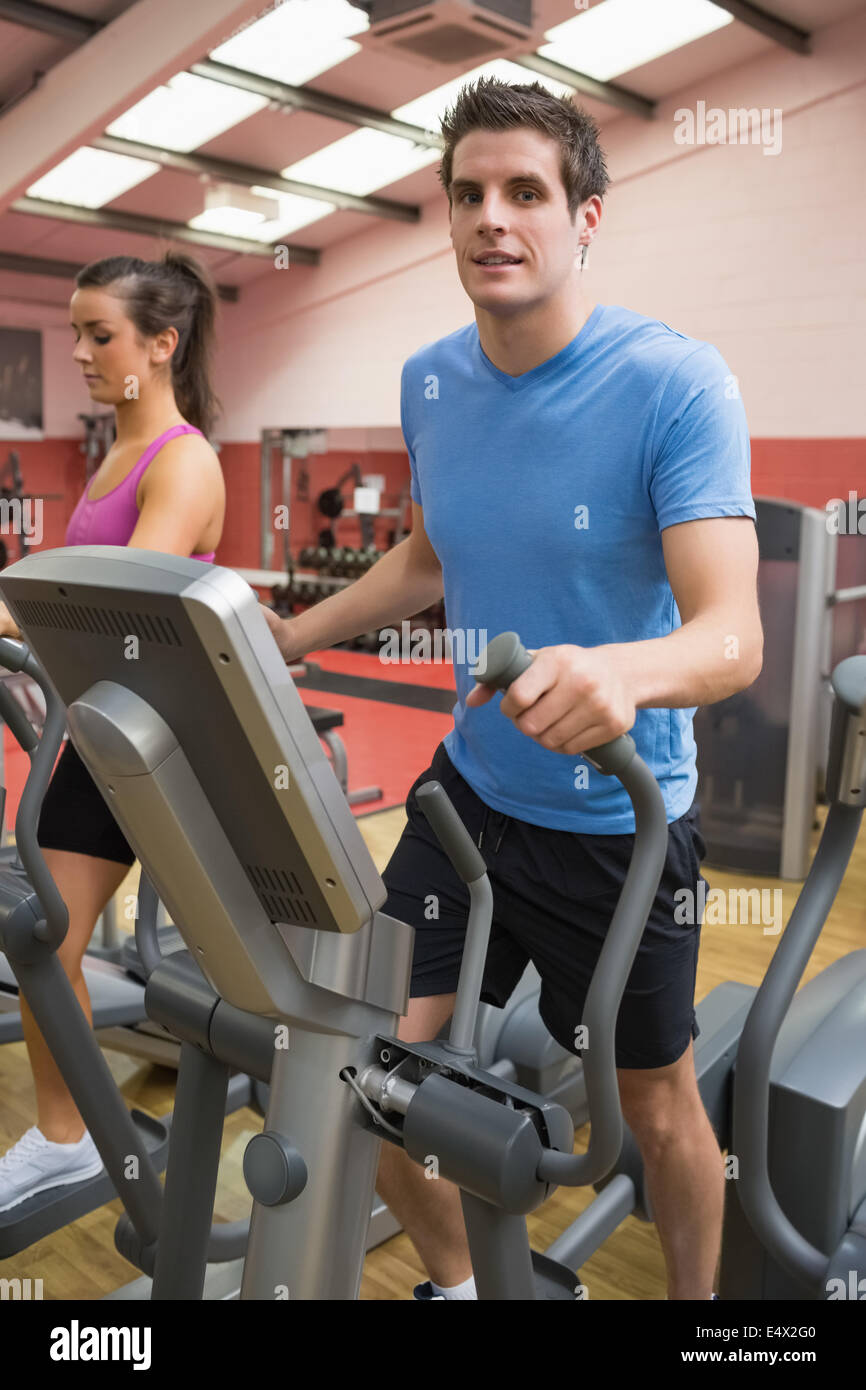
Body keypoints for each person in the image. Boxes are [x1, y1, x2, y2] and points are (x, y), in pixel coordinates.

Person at [269, 72, 763, 1302]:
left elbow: (731, 636)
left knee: (653, 1111)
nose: (493, 217)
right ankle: (472, 1287)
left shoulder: (673, 383)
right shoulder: (430, 379)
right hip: (465, 804)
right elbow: (427, 557)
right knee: (370, 1068)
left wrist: (620, 671)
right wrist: (284, 635)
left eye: (525, 192)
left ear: (583, 217)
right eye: (467, 193)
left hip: (616, 831)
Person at [0, 251, 225, 1210]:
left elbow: (113, 602)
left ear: (160, 344)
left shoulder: (185, 459)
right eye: (76, 331)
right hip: (96, 733)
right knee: (43, 940)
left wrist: (11, 614)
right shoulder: (118, 454)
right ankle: (67, 1132)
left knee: (49, 942)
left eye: (100, 334)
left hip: (149, 748)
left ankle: (70, 1139)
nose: (81, 352)